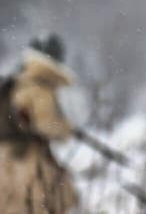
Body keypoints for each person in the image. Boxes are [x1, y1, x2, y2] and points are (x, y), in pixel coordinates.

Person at [0, 34, 78, 213]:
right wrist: (66, 129)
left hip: (6, 158)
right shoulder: (40, 87)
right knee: (43, 202)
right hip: (26, 161)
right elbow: (46, 126)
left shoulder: (19, 81)